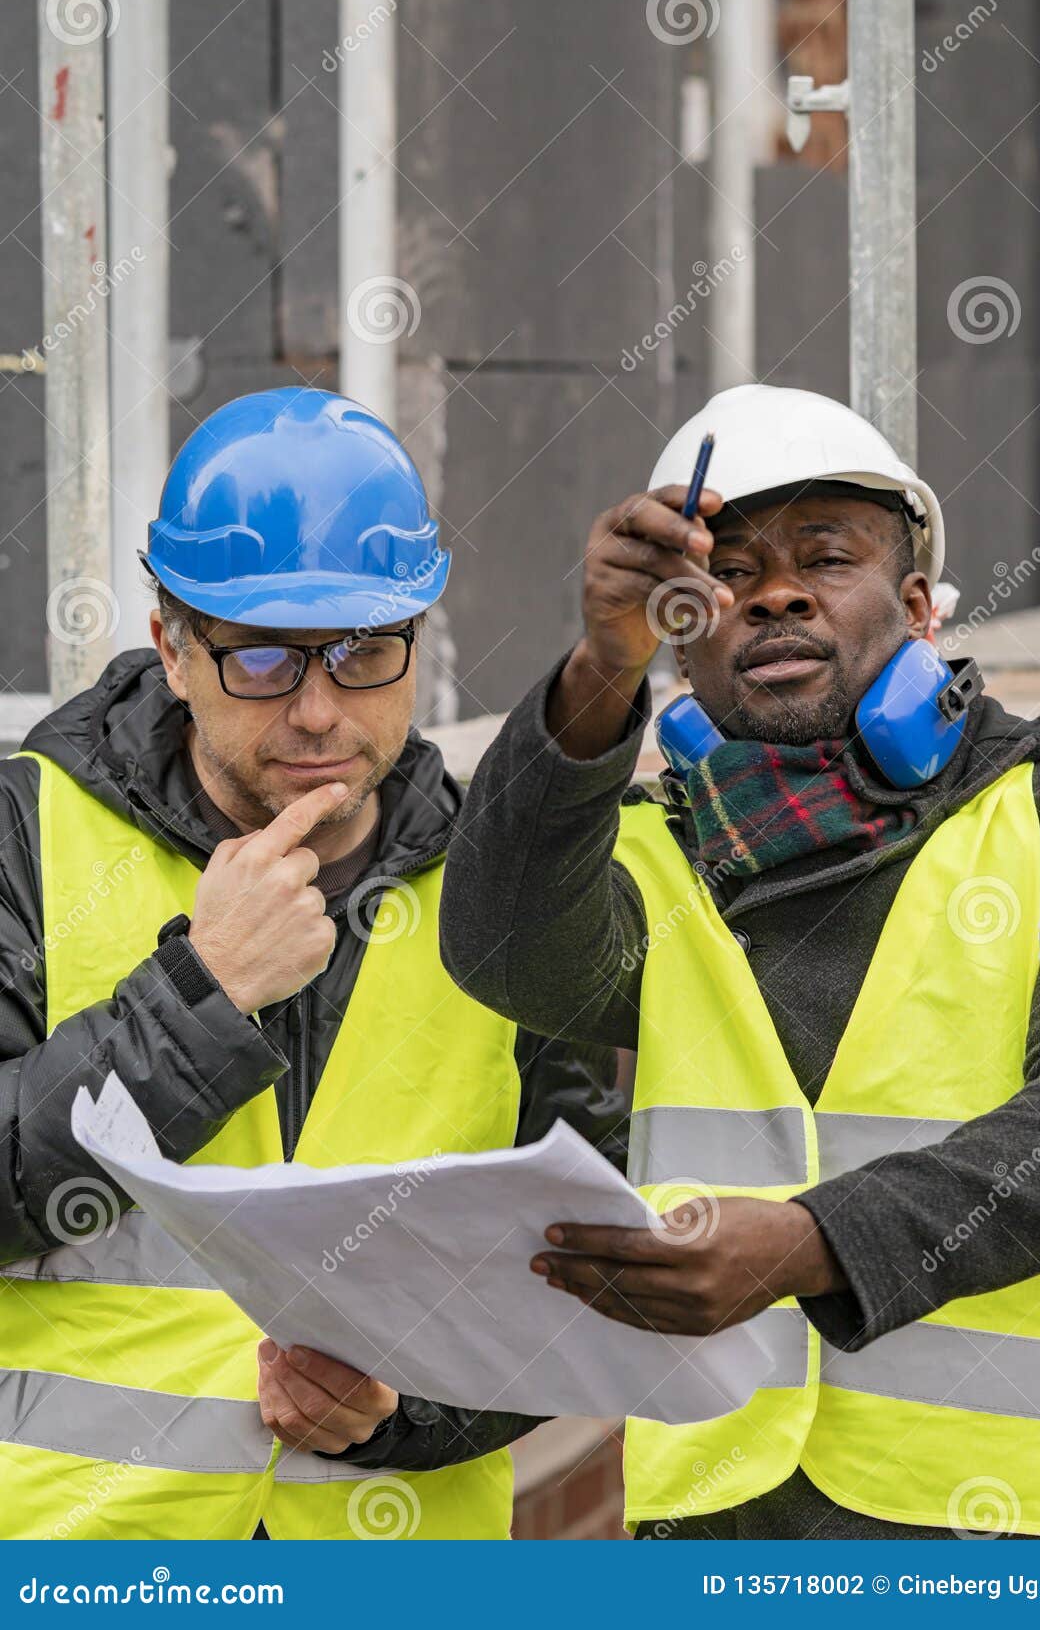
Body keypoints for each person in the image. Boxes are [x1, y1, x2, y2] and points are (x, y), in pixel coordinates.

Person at [440, 383, 1040, 1541]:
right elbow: (500, 949)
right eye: (723, 574)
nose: (772, 592)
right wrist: (598, 668)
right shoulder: (654, 850)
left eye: (825, 557)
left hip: (1003, 1531)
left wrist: (813, 1243)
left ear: (919, 607)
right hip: (713, 1525)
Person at [0, 386, 624, 1541]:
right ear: (172, 651)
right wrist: (199, 996)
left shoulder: (509, 883)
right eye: (266, 663)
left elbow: (588, 1264)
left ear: (419, 644)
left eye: (363, 654)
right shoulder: (29, 837)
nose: (321, 713)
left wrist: (406, 1413)